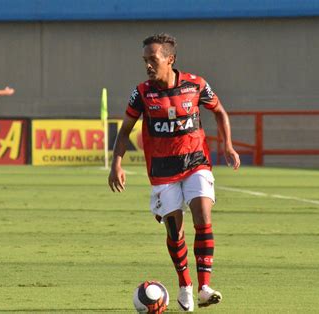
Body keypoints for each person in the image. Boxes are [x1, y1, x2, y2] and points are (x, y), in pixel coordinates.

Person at [108, 33, 240, 312]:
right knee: (175, 231)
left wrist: (227, 145)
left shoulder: (196, 84)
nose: (147, 65)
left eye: (152, 59)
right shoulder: (142, 92)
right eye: (145, 60)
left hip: (196, 162)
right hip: (162, 171)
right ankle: (185, 286)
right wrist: (116, 164)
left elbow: (220, 112)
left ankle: (205, 287)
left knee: (203, 215)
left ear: (170, 59)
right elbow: (125, 130)